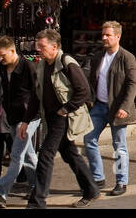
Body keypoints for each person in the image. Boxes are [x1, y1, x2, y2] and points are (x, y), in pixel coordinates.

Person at [28, 27, 99, 208]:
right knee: (70, 154)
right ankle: (91, 189)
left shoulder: (67, 62)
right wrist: (26, 120)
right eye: (38, 46)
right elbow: (38, 95)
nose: (38, 49)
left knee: (45, 155)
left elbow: (83, 91)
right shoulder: (43, 65)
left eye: (42, 46)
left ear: (54, 47)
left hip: (63, 117)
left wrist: (66, 109)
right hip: (50, 116)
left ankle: (37, 201)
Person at [83, 20, 136, 196]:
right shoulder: (98, 56)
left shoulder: (126, 57)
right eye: (103, 35)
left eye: (108, 35)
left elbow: (132, 84)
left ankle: (121, 182)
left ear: (118, 37)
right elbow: (91, 79)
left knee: (119, 146)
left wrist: (125, 107)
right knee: (88, 139)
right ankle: (98, 177)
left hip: (118, 108)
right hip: (99, 106)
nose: (104, 38)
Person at [0, 36, 41, 207]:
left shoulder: (28, 66)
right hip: (13, 116)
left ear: (12, 51)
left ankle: (1, 191)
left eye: (3, 55)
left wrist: (27, 119)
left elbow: (38, 94)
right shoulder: (3, 67)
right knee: (28, 154)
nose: (0, 59)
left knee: (16, 154)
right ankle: (38, 188)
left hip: (29, 117)